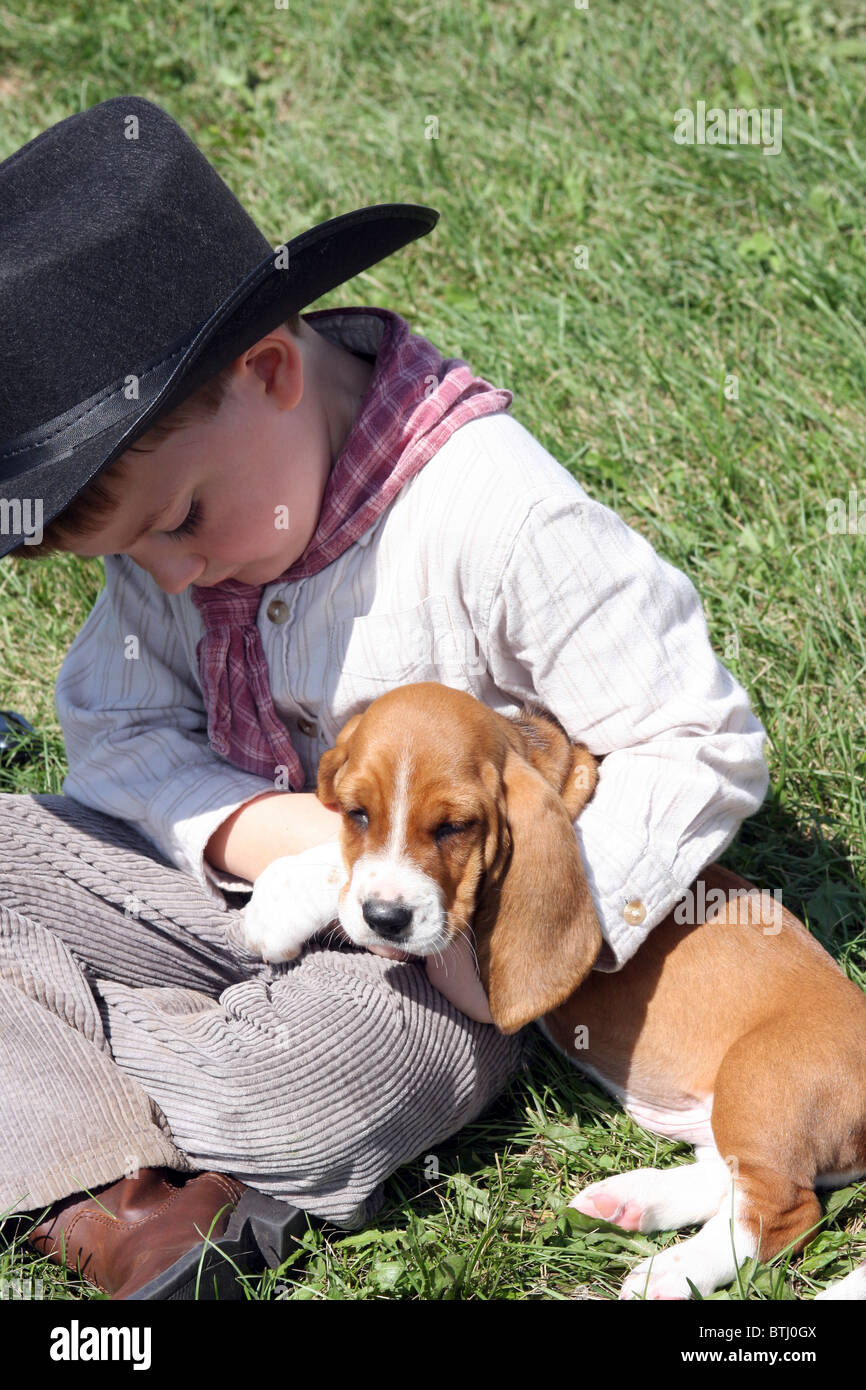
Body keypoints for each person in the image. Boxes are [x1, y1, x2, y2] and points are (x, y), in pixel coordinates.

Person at [0, 95, 769, 1300]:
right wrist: (274, 835)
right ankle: (147, 1163)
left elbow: (698, 736)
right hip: (235, 887)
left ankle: (99, 1133)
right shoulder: (179, 537)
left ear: (268, 373)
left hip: (429, 961)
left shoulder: (491, 511)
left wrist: (523, 935)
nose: (171, 575)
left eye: (182, 521)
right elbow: (118, 726)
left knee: (312, 1090)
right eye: (126, 556)